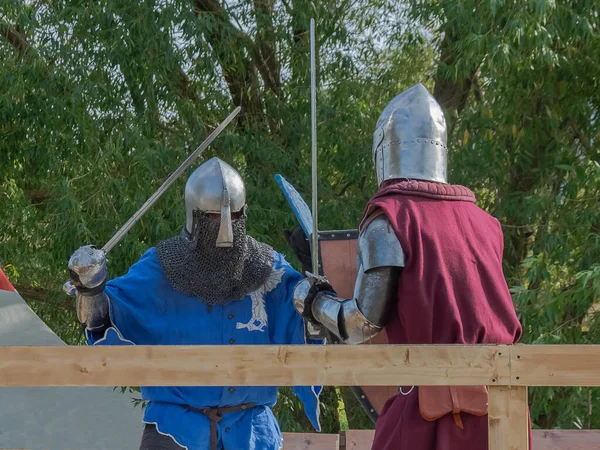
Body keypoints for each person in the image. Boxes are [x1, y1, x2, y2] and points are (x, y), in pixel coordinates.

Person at [291, 83, 529, 450]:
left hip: (432, 414)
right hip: (502, 413)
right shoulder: (486, 223)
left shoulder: (392, 219)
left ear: (383, 153)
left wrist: (315, 301)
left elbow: (360, 325)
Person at [67, 157, 322, 450]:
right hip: (175, 429)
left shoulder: (267, 267)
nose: (226, 229)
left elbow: (315, 322)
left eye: (234, 216)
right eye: (214, 217)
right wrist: (90, 288)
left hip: (251, 433)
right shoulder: (162, 268)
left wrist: (314, 278)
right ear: (195, 216)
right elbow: (102, 320)